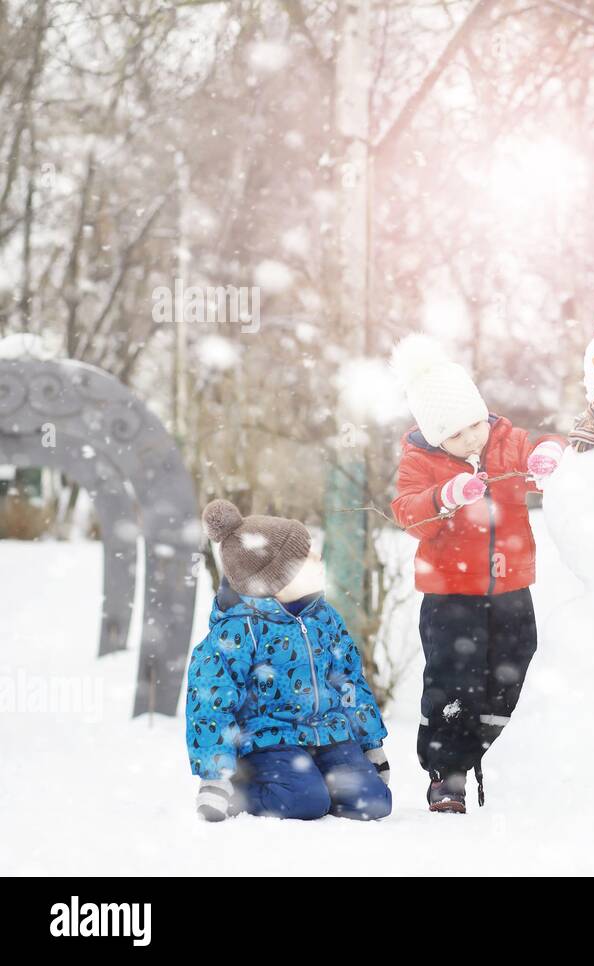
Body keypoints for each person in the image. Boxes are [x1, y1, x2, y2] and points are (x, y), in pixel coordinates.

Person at [390, 333, 565, 813]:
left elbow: (542, 452)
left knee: (515, 660)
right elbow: (408, 513)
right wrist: (444, 498)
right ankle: (447, 772)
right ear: (433, 433)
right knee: (453, 678)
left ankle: (495, 746)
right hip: (450, 594)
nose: (471, 438)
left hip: (510, 585)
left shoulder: (505, 442)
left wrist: (548, 458)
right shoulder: (420, 461)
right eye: (456, 434)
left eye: (475, 424)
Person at [185, 499, 391, 822]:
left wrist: (370, 744)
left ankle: (316, 781)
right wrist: (215, 774)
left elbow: (349, 679)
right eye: (305, 558)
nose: (318, 557)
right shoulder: (240, 630)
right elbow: (209, 699)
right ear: (275, 582)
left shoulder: (323, 617)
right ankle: (246, 786)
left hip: (327, 734)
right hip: (268, 741)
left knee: (374, 800)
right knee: (305, 801)